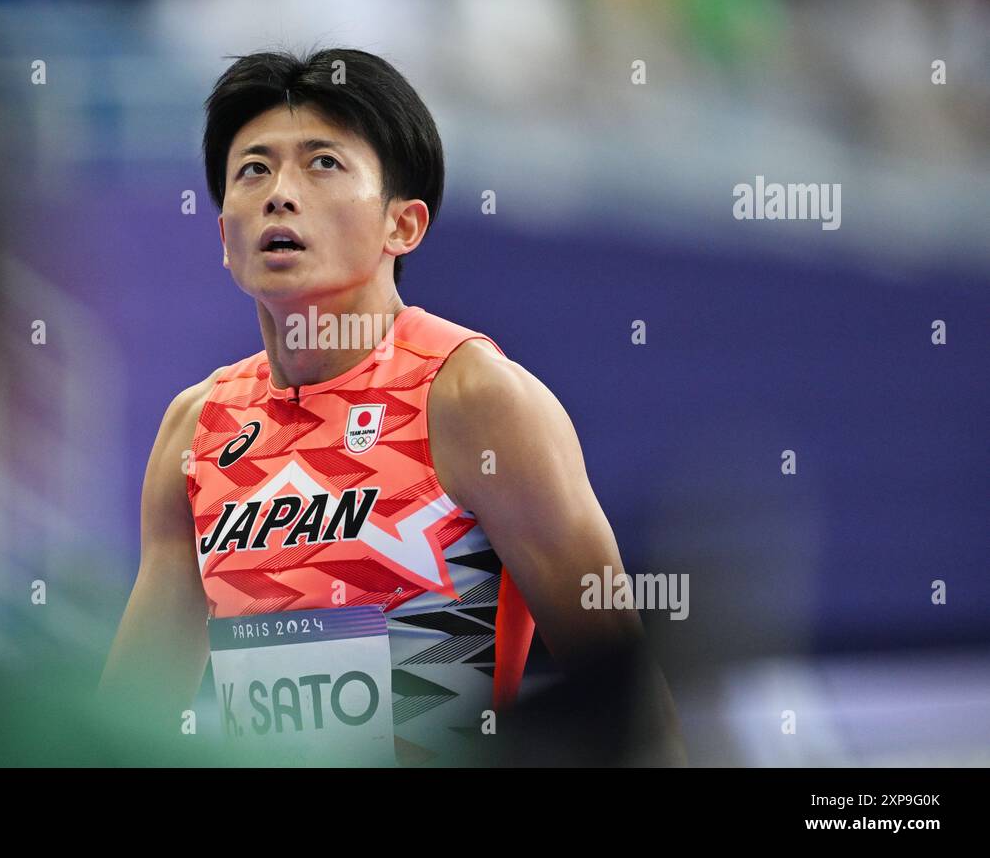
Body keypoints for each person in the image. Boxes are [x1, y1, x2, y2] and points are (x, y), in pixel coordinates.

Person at [101, 47, 684, 766]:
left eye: (322, 163)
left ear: (402, 226)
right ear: (225, 237)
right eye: (253, 168)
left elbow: (633, 710)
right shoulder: (197, 428)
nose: (280, 193)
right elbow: (126, 723)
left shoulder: (475, 401)